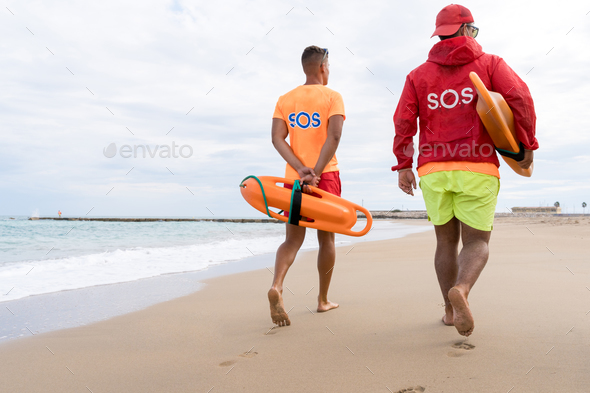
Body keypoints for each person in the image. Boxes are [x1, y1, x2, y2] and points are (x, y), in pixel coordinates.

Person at [392, 4, 538, 336]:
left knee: (445, 242)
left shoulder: (417, 75)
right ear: (468, 30)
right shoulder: (490, 64)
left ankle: (448, 308)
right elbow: (520, 97)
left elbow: (403, 121)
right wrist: (526, 143)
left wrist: (403, 164)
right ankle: (463, 289)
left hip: (432, 170)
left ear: (441, 35)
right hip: (478, 165)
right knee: (476, 242)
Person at [268, 45, 345, 327]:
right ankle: (323, 300)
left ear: (305, 68)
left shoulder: (285, 99)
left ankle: (277, 285)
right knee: (326, 240)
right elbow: (334, 137)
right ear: (323, 67)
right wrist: (317, 171)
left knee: (292, 240)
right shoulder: (333, 96)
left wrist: (301, 169)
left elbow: (277, 139)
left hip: (293, 179)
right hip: (326, 176)